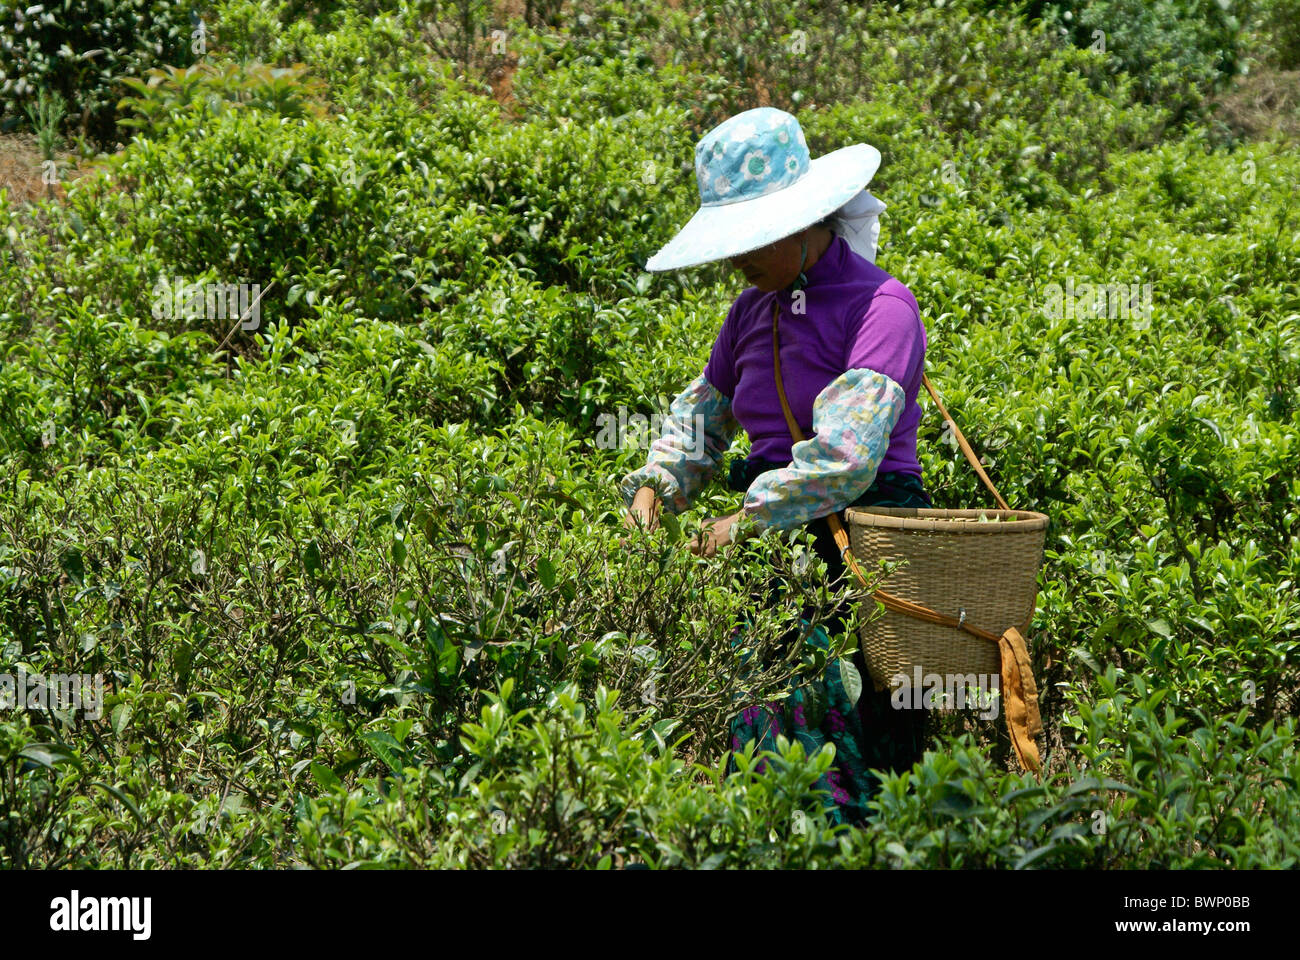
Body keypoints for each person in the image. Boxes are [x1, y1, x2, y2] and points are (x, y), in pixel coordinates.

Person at [619, 107, 932, 827]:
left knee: (874, 727)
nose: (738, 259)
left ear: (806, 221)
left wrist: (741, 522)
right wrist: (654, 486)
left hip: (871, 537)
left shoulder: (882, 306)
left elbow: (848, 457)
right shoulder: (748, 313)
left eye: (754, 239)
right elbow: (703, 417)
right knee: (770, 718)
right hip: (771, 547)